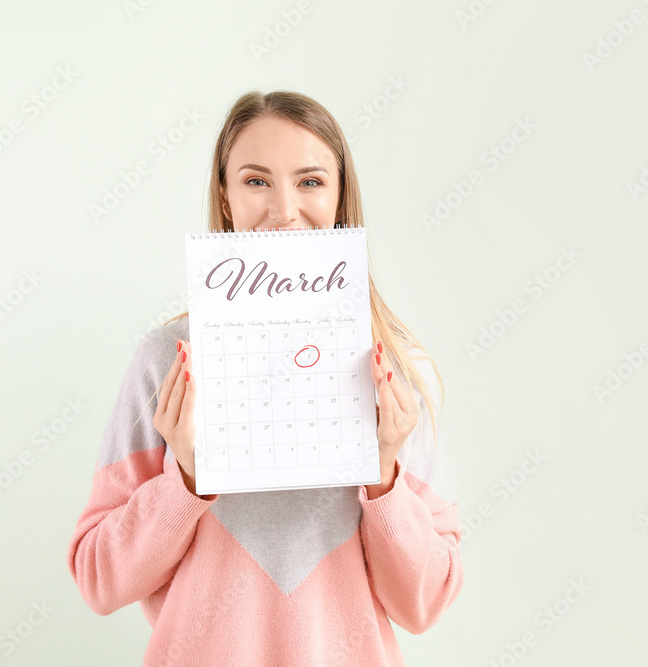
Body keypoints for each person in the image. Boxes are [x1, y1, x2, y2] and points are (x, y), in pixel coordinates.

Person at [66, 90, 463, 666]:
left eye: (310, 182)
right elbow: (98, 580)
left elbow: (426, 604)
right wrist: (187, 479)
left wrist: (383, 477)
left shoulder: (395, 374)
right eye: (256, 181)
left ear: (340, 198)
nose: (283, 210)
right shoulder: (165, 361)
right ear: (225, 197)